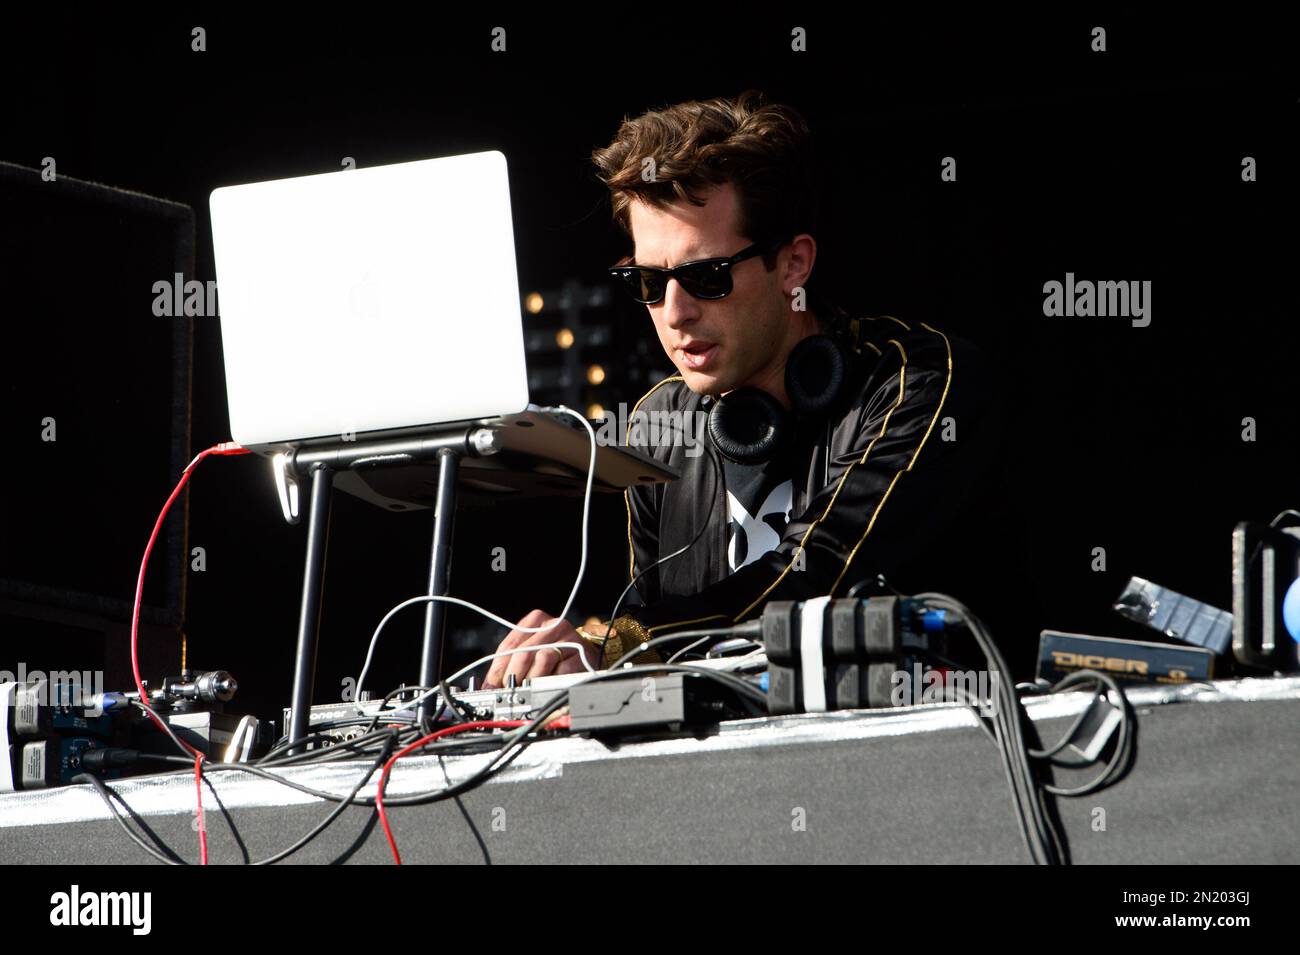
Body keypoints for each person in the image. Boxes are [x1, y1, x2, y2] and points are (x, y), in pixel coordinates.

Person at [482, 90, 1001, 690]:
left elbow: (819, 578)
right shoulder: (660, 422)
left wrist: (618, 645)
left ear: (793, 265)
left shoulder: (914, 381)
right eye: (648, 281)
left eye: (706, 276)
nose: (674, 313)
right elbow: (655, 657)